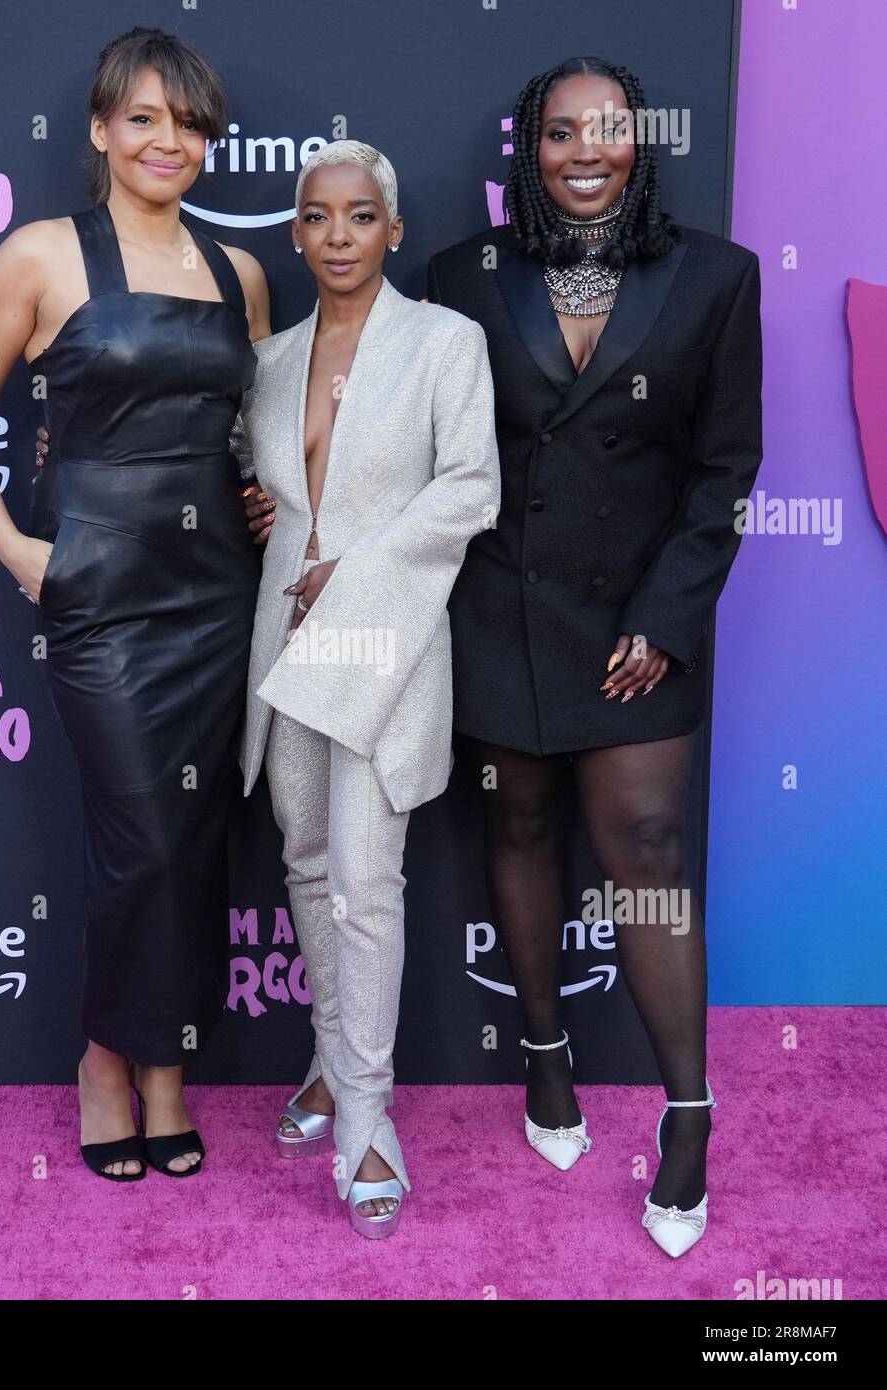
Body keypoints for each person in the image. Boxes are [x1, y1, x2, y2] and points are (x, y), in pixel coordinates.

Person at [427, 57, 762, 1257]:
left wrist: (665, 620)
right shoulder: (464, 275)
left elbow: (724, 471)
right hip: (499, 616)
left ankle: (686, 1113)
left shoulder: (715, 277)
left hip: (637, 622)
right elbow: (409, 435)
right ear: (530, 148)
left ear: (638, 141)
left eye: (605, 130)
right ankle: (545, 1056)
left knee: (647, 847)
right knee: (514, 825)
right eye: (560, 132)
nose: (583, 150)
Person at [0, 27, 270, 1182]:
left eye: (185, 123)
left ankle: (168, 1068)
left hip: (217, 592)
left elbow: (259, 431)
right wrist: (18, 550)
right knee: (138, 837)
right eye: (141, 118)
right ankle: (104, 1060)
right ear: (99, 129)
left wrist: (274, 507)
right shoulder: (38, 255)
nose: (164, 141)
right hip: (99, 590)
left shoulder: (241, 273)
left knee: (192, 836)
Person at [235, 141, 500, 1238]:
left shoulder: (445, 340)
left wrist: (357, 565)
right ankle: (329, 1062)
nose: (337, 234)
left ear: (392, 229)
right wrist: (273, 513)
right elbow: (274, 492)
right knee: (303, 858)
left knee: (362, 880)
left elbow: (469, 486)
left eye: (359, 215)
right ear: (294, 233)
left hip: (381, 640)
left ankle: (369, 1119)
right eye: (315, 216)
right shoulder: (268, 358)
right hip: (288, 644)